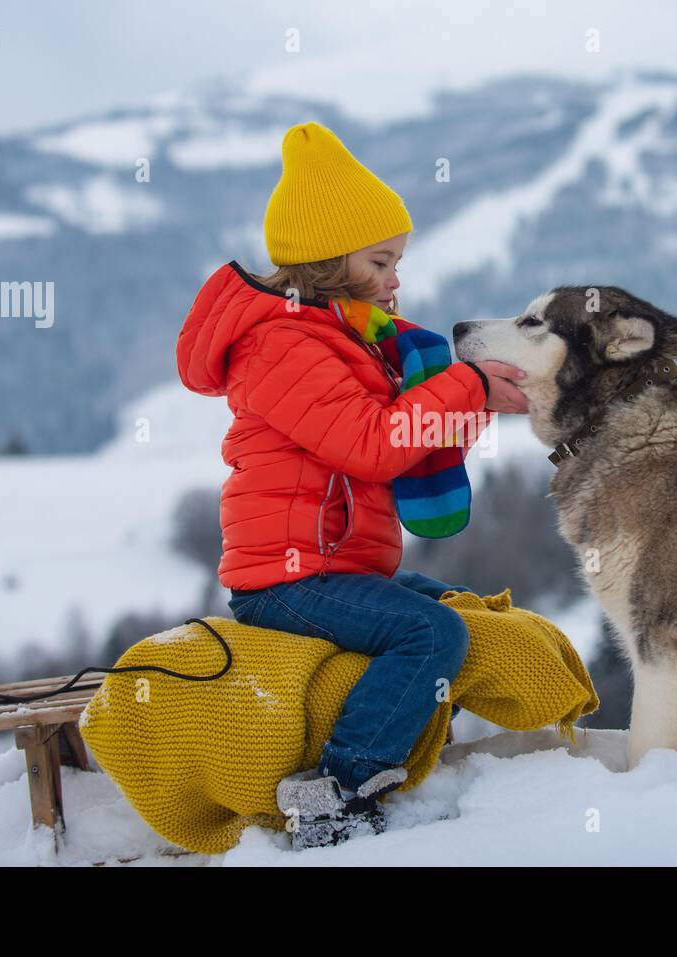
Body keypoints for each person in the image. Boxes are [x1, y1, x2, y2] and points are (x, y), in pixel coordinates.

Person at [174, 121, 528, 849]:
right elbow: (372, 444)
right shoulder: (282, 343)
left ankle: (430, 747)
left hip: (342, 565)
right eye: (382, 260)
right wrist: (462, 386)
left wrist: (477, 400)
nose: (397, 278)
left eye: (398, 260)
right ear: (331, 262)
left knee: (444, 607)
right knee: (432, 631)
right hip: (287, 578)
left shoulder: (348, 336)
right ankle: (336, 789)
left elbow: (405, 437)